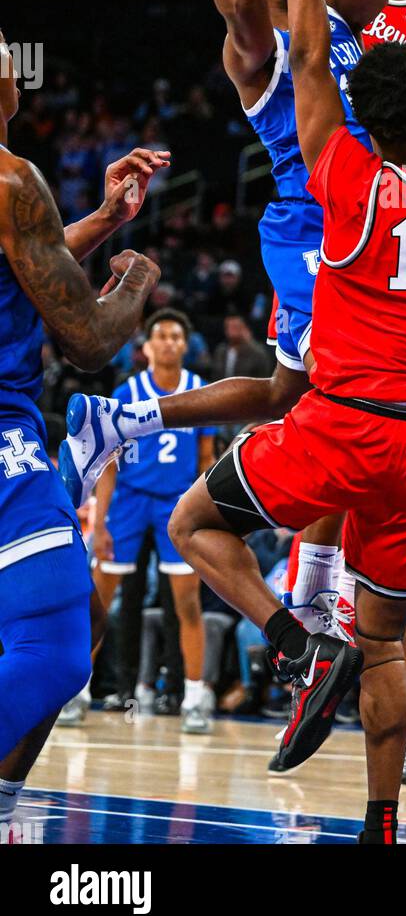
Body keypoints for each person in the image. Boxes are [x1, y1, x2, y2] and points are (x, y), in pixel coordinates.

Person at [85, 0, 406, 845]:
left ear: (358, 119)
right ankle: (378, 824)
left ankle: (290, 643)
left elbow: (310, 58)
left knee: (196, 525)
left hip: (347, 429)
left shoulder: (343, 184)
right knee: (386, 640)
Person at [0, 29, 163, 822]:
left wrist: (102, 220)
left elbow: (24, 266)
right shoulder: (10, 179)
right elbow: (90, 339)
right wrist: (134, 278)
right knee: (56, 650)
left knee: (87, 622)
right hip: (3, 431)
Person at [84, 310, 215, 734]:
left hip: (177, 504)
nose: (168, 342)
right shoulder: (126, 392)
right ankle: (74, 691)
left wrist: (207, 516)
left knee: (188, 603)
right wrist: (99, 524)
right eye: (161, 335)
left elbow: (206, 461)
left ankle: (195, 697)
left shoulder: (200, 390)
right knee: (99, 601)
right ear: (147, 346)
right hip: (129, 501)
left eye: (176, 336)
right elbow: (107, 463)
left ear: (185, 344)